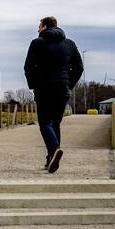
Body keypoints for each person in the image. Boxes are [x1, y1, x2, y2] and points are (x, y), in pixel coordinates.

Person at [23, 16, 83, 173]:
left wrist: (34, 85)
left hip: (44, 89)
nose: (37, 29)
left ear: (44, 27)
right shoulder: (69, 44)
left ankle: (55, 150)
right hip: (62, 89)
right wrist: (68, 84)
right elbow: (79, 67)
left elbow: (28, 67)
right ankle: (51, 159)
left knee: (45, 123)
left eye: (39, 26)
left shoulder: (37, 43)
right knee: (55, 123)